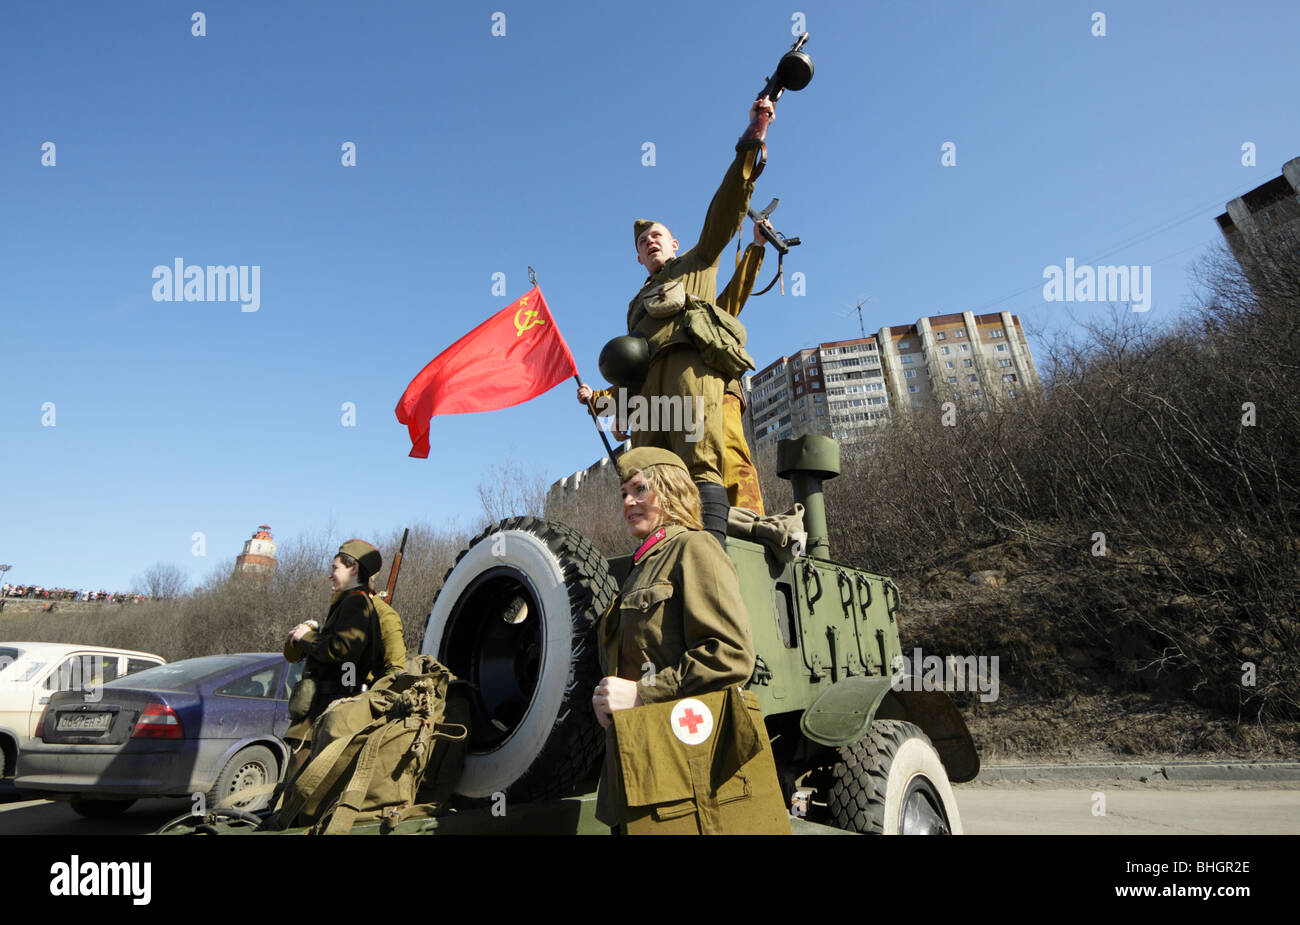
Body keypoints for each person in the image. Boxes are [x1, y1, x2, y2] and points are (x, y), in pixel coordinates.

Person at [577, 97, 777, 546]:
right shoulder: (635, 306)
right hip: (650, 391)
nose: (650, 242)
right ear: (637, 257)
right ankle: (661, 557)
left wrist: (751, 140)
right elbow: (633, 363)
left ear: (675, 243)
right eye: (643, 242)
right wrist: (603, 402)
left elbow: (724, 214)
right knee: (650, 473)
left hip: (693, 372)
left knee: (705, 462)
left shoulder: (697, 263)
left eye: (657, 236)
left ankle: (713, 556)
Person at [591, 446, 755, 826]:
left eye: (640, 490)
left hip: (682, 766)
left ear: (670, 490)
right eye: (623, 495)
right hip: (635, 761)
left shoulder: (694, 548)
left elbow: (731, 656)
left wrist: (640, 693)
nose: (628, 502)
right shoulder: (638, 571)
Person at [282, 539, 383, 777]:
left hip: (326, 713)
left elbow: (342, 650)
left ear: (354, 568)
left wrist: (307, 638)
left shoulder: (356, 602)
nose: (331, 575)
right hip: (324, 713)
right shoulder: (350, 603)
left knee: (298, 790)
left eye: (335, 568)